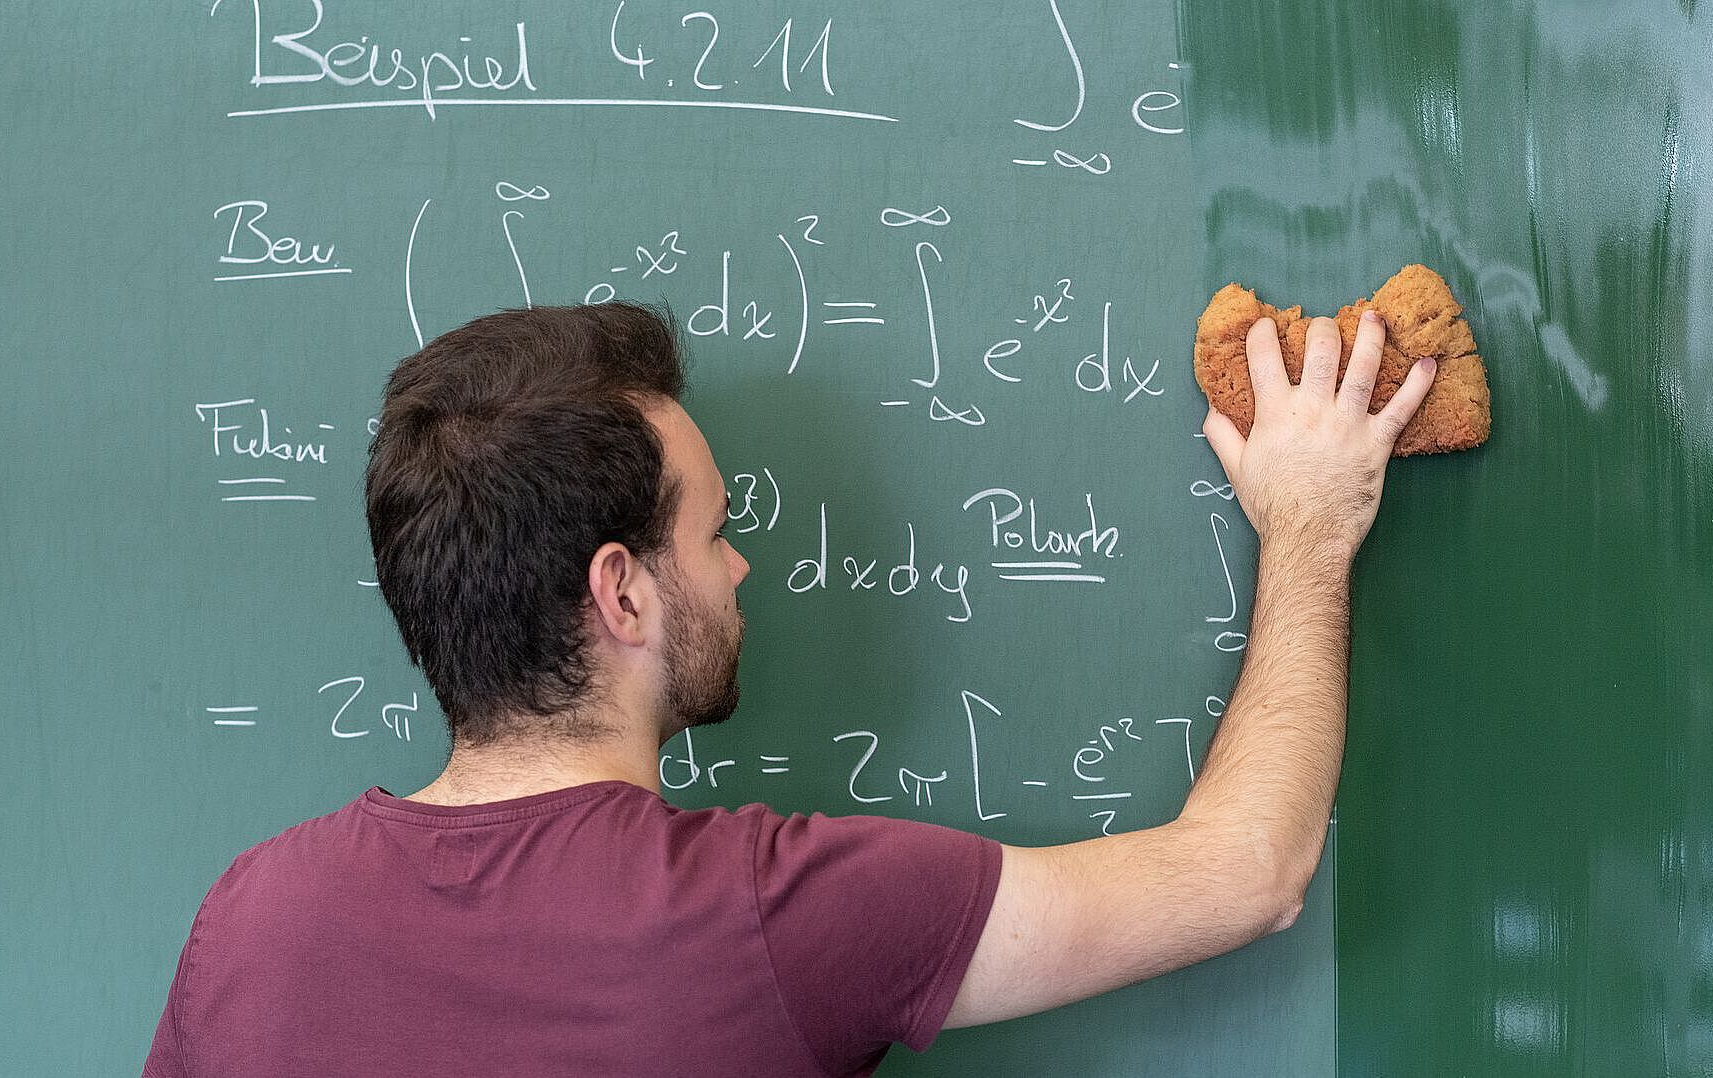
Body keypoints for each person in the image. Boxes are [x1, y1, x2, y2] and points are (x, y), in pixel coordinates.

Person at [144, 302, 1436, 1077]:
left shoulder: (248, 926)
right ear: (624, 594)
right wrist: (1312, 525)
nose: (742, 562)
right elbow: (1249, 869)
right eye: (712, 531)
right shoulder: (777, 913)